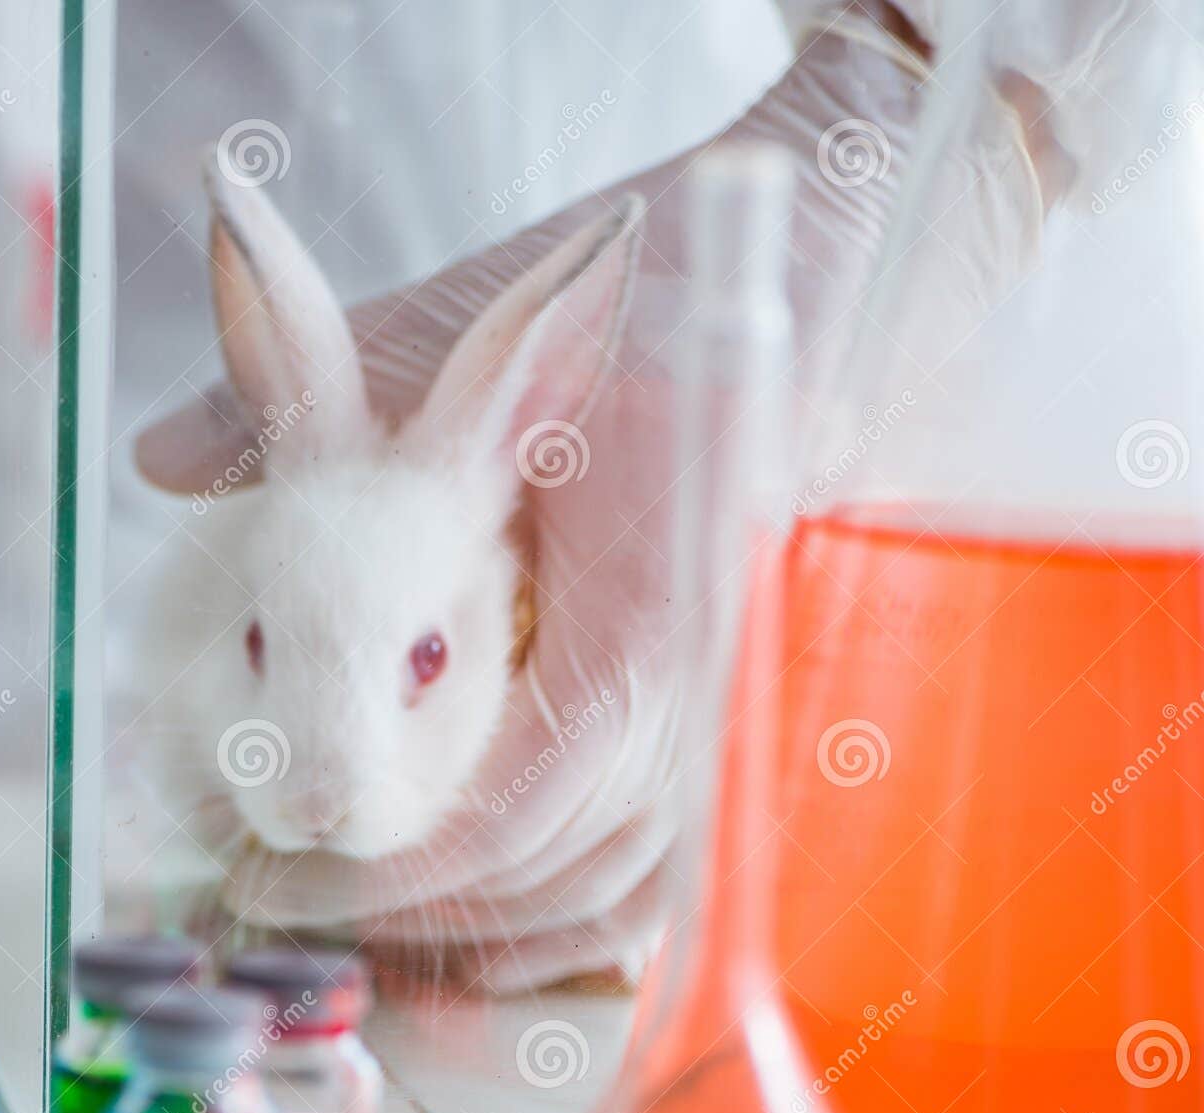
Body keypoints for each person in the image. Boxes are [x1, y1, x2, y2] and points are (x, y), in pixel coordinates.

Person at [129, 0, 1081, 991]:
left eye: (427, 660)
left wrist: (924, 74)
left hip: (684, 183)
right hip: (190, 224)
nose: (323, 798)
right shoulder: (244, 580)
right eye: (255, 648)